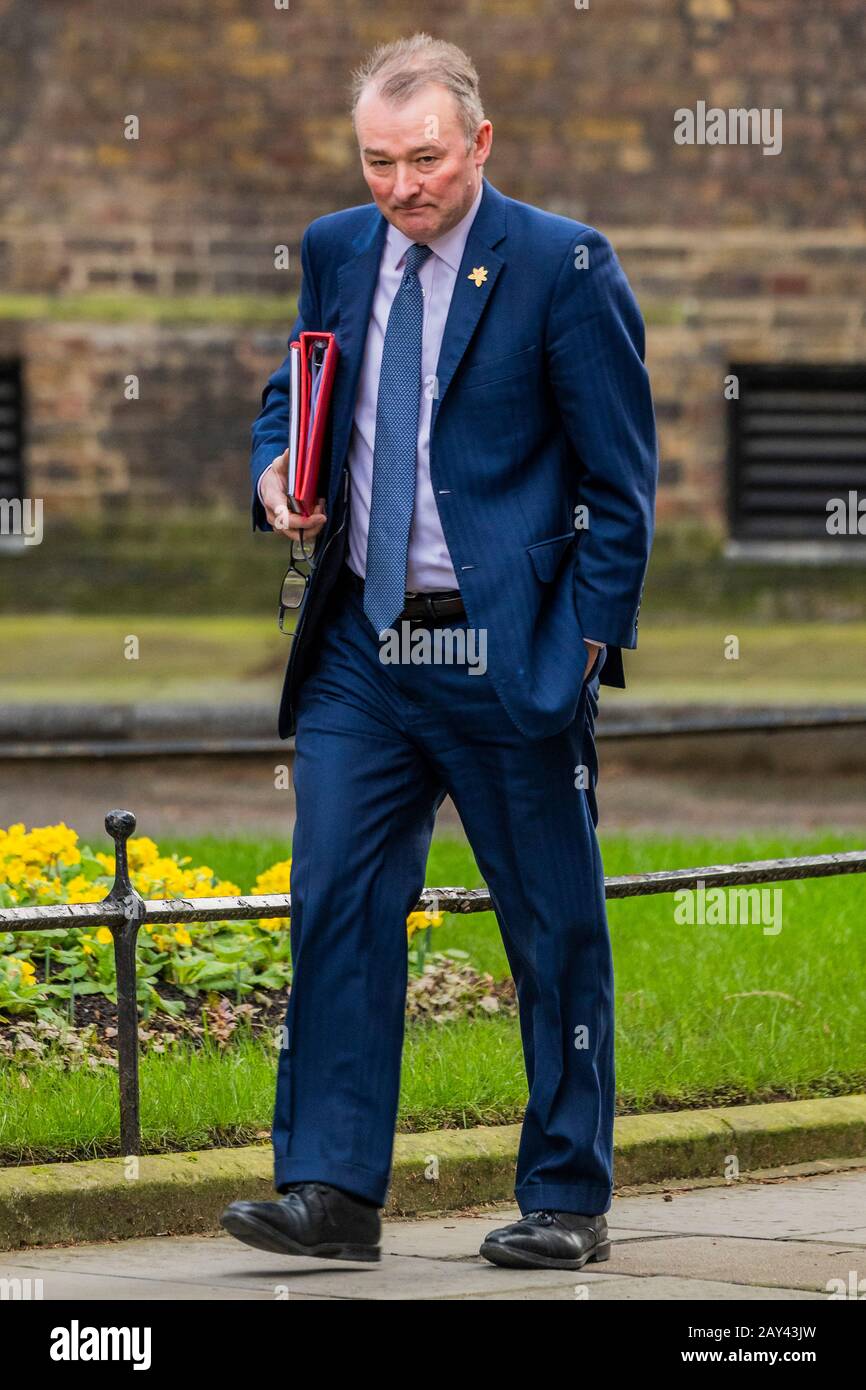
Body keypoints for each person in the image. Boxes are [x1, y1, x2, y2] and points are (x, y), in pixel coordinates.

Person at [221, 32, 657, 1272]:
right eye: (377, 161)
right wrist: (272, 474)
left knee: (551, 927)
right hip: (361, 639)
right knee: (338, 900)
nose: (401, 188)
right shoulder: (336, 247)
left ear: (478, 143)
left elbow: (620, 483)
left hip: (503, 644)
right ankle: (329, 1191)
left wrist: (577, 649)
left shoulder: (564, 265)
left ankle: (566, 1195)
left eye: (424, 161)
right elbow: (292, 388)